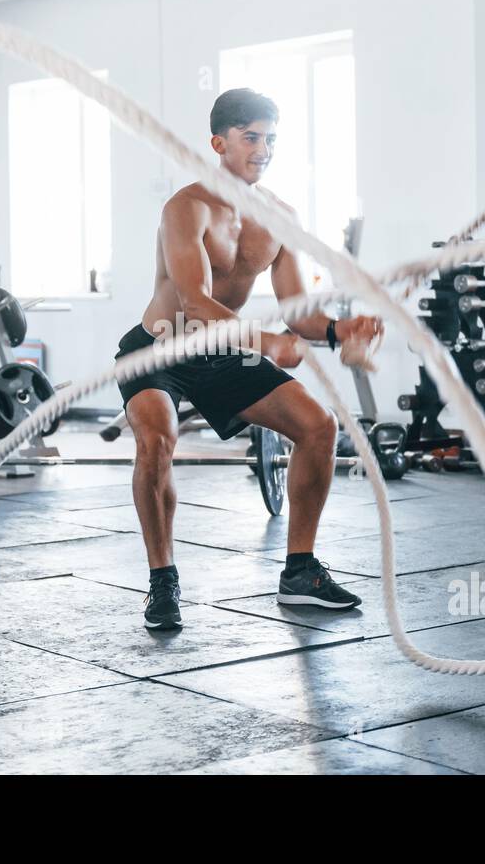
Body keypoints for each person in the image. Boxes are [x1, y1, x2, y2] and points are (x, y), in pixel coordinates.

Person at [116, 88, 383, 630]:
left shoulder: (280, 218)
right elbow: (193, 301)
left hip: (223, 353)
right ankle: (162, 582)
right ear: (218, 142)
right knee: (156, 440)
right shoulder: (185, 209)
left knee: (318, 426)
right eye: (251, 138)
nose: (263, 150)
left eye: (271, 140)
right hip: (161, 347)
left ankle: (300, 574)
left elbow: (299, 314)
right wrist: (267, 343)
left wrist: (337, 329)